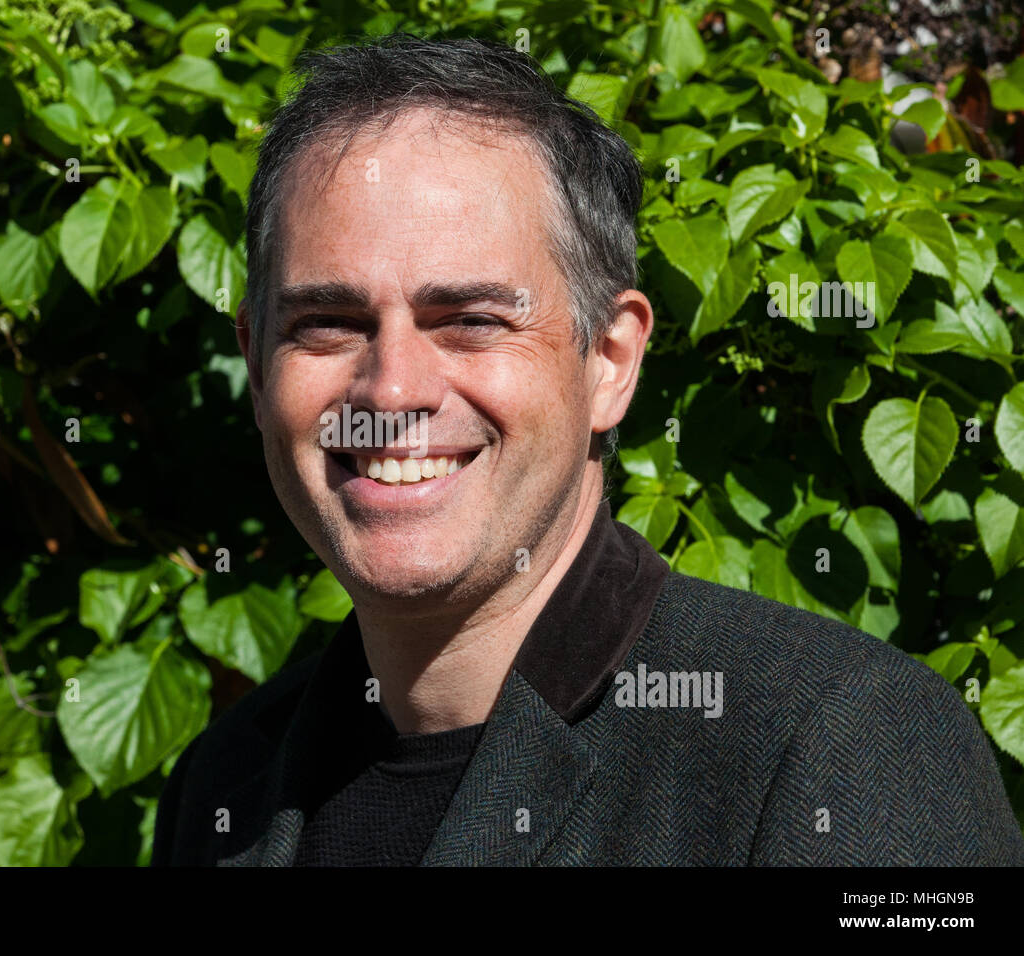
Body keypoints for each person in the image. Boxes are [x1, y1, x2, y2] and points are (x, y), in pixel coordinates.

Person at [153, 33, 1024, 866]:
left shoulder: (845, 747)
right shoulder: (223, 781)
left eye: (471, 322)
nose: (391, 391)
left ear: (609, 361)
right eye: (328, 324)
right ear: (257, 368)